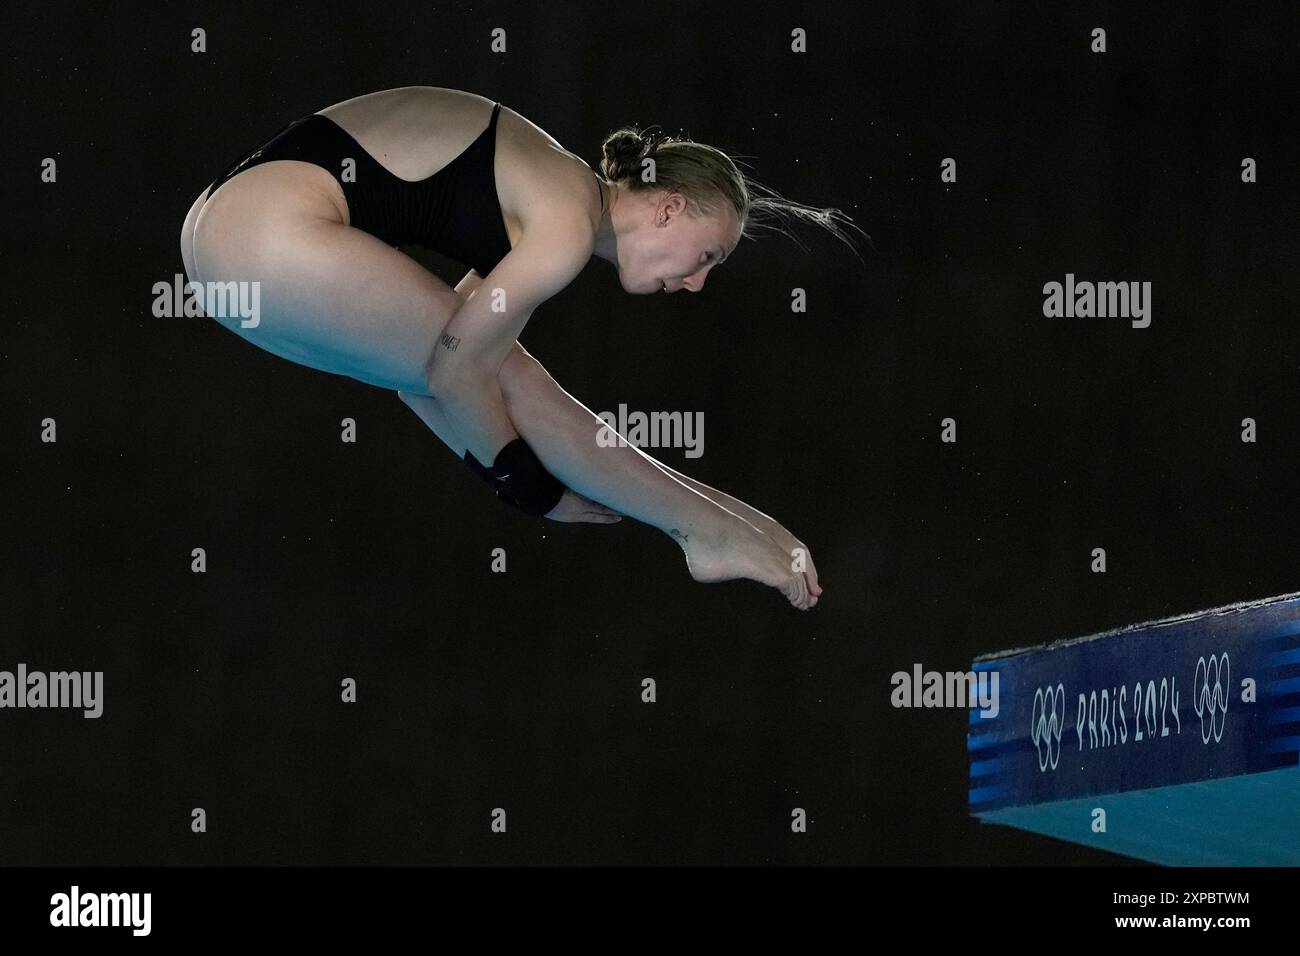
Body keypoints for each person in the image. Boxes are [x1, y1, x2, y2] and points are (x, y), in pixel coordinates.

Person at [180, 86, 866, 609]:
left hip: (220, 246)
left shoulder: (546, 207)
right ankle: (703, 534)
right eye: (706, 256)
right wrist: (530, 491)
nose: (694, 284)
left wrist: (752, 519)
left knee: (491, 366)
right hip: (265, 235)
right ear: (668, 209)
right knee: (501, 370)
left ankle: (729, 527)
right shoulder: (565, 220)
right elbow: (459, 375)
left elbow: (423, 379)